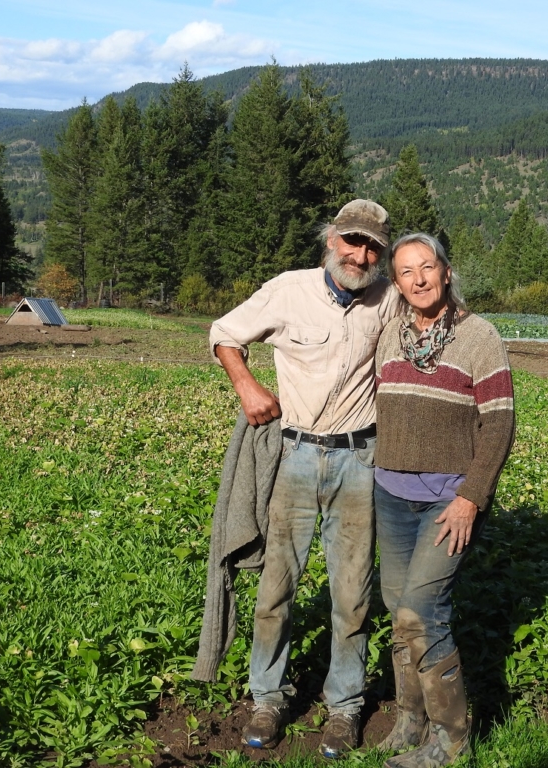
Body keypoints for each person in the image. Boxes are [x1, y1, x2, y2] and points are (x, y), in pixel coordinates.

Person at [208, 199, 397, 759]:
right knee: (277, 587)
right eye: (352, 241)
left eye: (372, 248)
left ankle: (345, 706)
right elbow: (224, 334)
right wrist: (246, 384)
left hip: (359, 458)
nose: (359, 256)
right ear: (331, 240)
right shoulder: (288, 290)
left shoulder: (387, 299)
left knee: (353, 593)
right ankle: (268, 697)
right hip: (293, 455)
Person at [372, 233, 515, 768]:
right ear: (397, 282)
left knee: (421, 612)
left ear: (446, 272)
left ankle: (451, 741)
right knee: (398, 613)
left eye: (427, 267)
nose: (419, 279)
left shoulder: (480, 336)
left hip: (447, 502)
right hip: (392, 495)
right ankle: (410, 720)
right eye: (406, 272)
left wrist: (471, 498)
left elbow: (499, 423)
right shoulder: (390, 335)